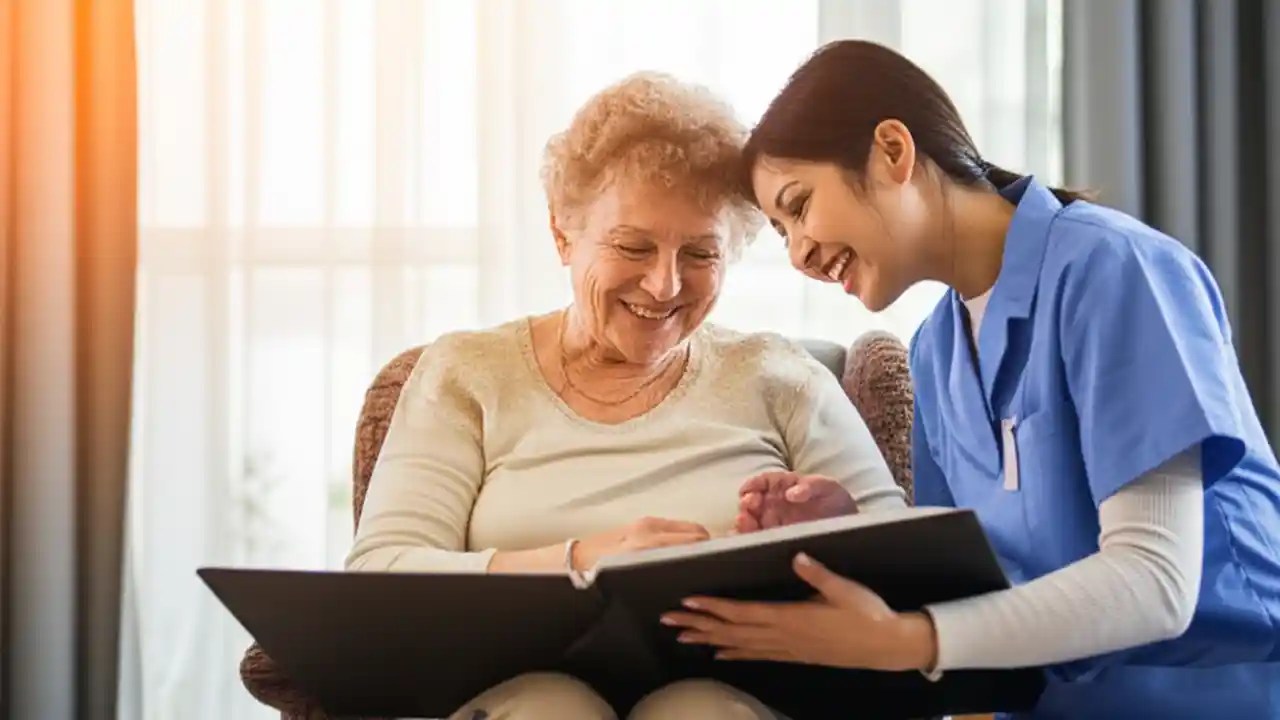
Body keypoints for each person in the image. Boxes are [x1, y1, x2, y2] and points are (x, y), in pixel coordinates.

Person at [662, 40, 1280, 719]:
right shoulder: (936, 353)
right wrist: (853, 532)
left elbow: (1157, 582)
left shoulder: (1113, 272)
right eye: (781, 233)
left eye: (800, 206)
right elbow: (977, 589)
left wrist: (909, 640)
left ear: (893, 150)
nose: (802, 253)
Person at [344, 70, 907, 720]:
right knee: (550, 709)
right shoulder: (464, 375)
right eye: (633, 246)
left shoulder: (781, 376)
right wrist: (579, 561)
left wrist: (838, 533)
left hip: (739, 700)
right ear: (563, 234)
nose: (665, 285)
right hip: (512, 702)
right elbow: (381, 576)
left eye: (700, 254)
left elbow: (911, 573)